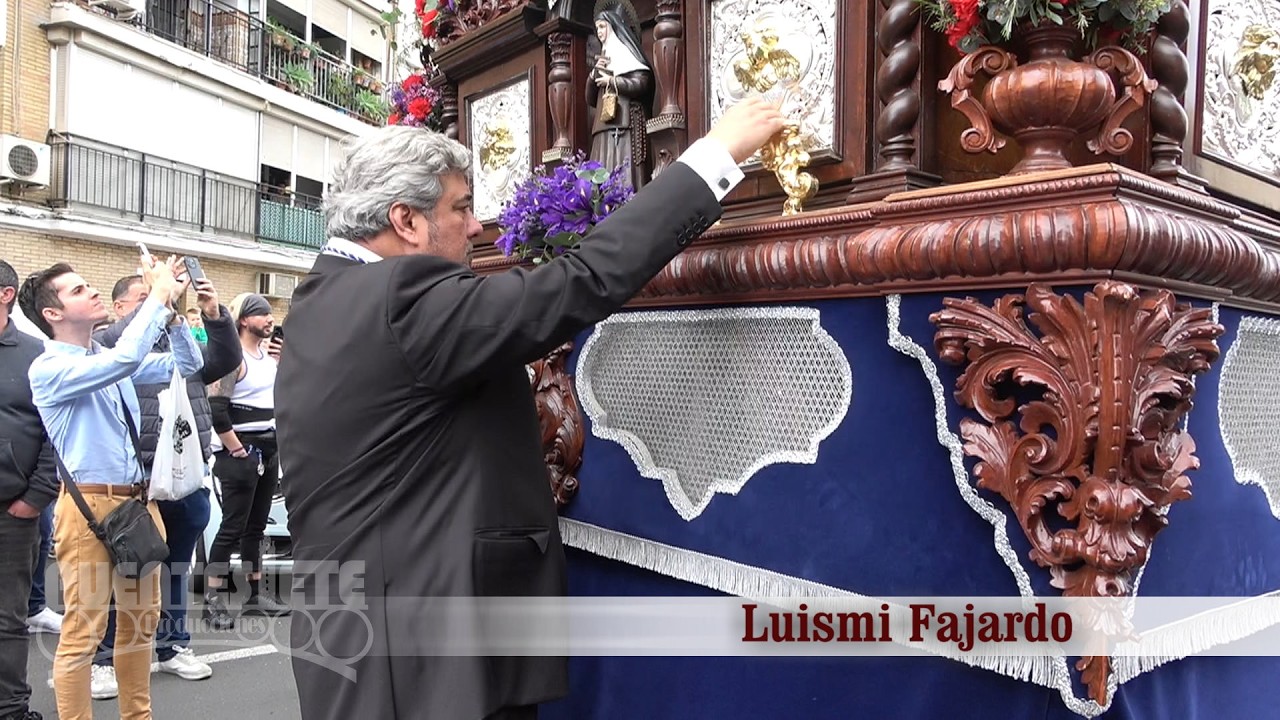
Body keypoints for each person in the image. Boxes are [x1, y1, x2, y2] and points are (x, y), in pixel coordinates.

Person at [274, 96, 784, 720]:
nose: (477, 227)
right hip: (422, 659)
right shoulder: (399, 296)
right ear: (405, 220)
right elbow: (578, 281)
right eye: (460, 208)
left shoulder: (325, 294)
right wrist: (715, 156)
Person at [19, 258, 203, 720]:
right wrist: (157, 297)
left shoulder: (101, 361)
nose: (93, 292)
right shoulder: (48, 368)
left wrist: (174, 312)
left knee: (142, 625)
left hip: (137, 501)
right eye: (79, 290)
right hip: (88, 506)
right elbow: (127, 357)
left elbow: (189, 363)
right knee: (85, 630)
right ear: (52, 314)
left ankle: (137, 716)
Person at [87, 273, 241, 697]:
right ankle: (104, 659)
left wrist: (212, 314)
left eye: (162, 297)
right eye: (143, 298)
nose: (161, 303)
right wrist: (154, 305)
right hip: (138, 480)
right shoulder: (109, 346)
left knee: (175, 566)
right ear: (120, 308)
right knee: (127, 569)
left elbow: (223, 359)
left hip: (186, 476)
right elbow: (121, 343)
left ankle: (172, 646)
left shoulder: (180, 348)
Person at [202, 293, 290, 628]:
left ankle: (255, 595)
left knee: (256, 526)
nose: (270, 319)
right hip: (242, 451)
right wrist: (236, 448)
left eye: (271, 313)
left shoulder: (268, 359)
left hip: (268, 448)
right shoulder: (233, 359)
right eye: (262, 314)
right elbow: (217, 409)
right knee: (231, 528)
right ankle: (213, 601)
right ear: (243, 320)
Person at [0, 259, 57, 720]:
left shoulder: (36, 354)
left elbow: (53, 433)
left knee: (6, 620)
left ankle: (12, 708)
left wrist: (35, 497)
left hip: (11, 513)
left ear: (5, 295)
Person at [586, 4, 653, 190]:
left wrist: (613, 81)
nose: (599, 32)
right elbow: (590, 99)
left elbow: (642, 83)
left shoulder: (628, 55)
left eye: (602, 27)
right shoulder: (603, 58)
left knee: (626, 175)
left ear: (613, 27)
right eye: (597, 27)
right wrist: (593, 75)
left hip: (626, 125)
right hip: (603, 130)